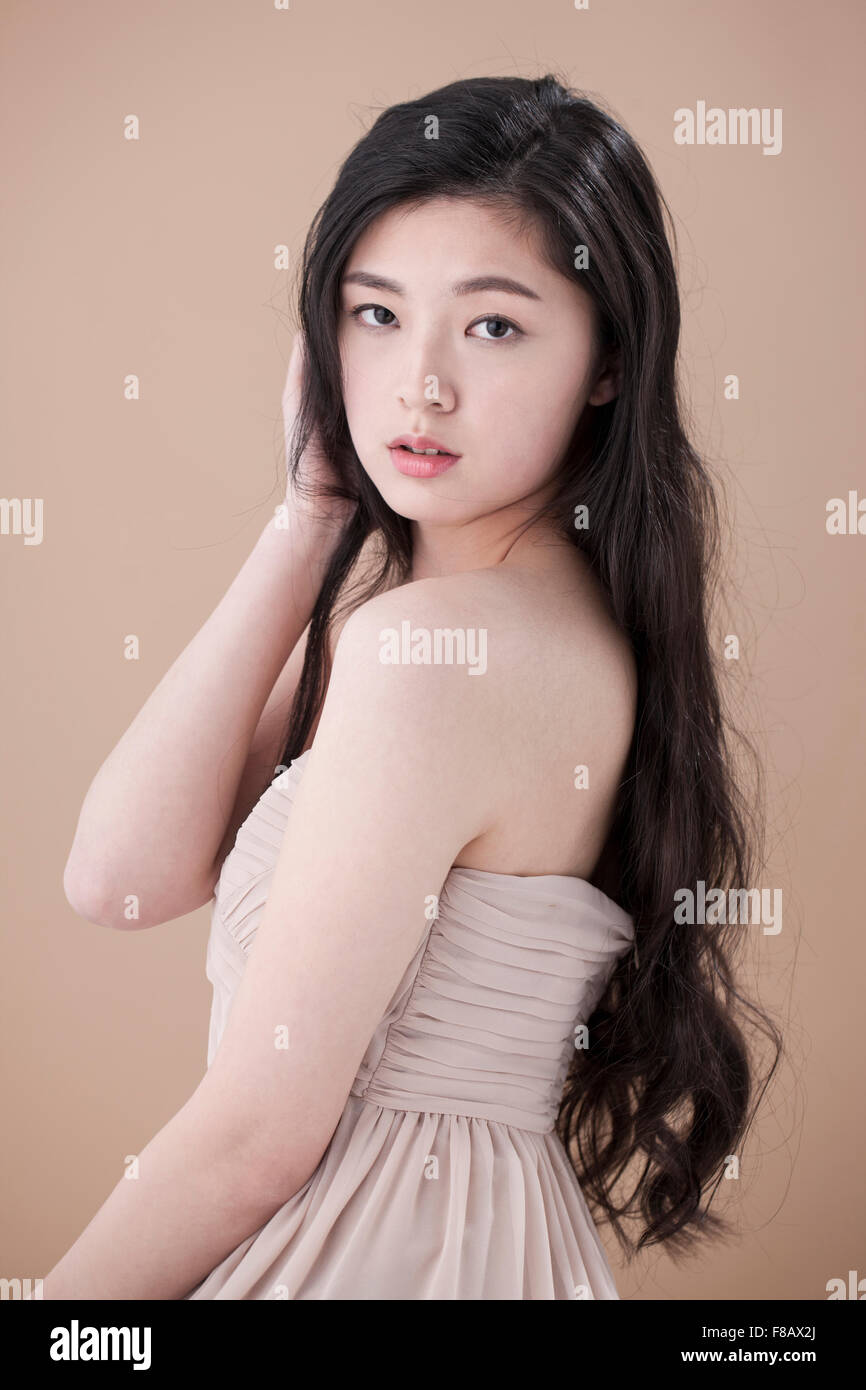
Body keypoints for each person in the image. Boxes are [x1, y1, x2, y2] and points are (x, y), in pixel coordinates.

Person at [54, 73, 781, 1301]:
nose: (419, 384)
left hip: (362, 1250)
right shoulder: (497, 633)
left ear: (606, 359)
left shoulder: (432, 657)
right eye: (373, 314)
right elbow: (120, 878)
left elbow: (254, 1141)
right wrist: (306, 518)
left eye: (492, 326)